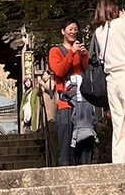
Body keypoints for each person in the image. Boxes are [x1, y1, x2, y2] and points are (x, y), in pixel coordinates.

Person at [92, 0, 125, 164]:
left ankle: (119, 160)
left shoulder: (99, 32)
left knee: (118, 122)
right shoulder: (123, 22)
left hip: (111, 80)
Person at [48, 20, 90, 166]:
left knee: (85, 141)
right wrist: (71, 52)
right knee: (65, 143)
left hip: (82, 101)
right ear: (62, 31)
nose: (73, 32)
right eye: (70, 29)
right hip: (65, 102)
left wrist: (84, 55)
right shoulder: (55, 51)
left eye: (75, 29)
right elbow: (59, 70)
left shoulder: (79, 51)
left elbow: (87, 72)